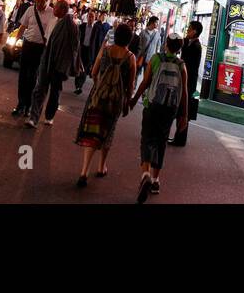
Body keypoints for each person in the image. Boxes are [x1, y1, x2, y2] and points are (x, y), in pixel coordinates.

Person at [75, 21, 136, 188]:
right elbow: (130, 86)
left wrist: (100, 86)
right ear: (129, 39)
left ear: (115, 36)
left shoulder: (106, 51)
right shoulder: (131, 58)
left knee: (92, 132)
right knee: (108, 132)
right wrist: (126, 102)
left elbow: (93, 72)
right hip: (115, 102)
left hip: (97, 98)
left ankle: (84, 171)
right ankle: (101, 166)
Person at [132, 35, 189, 202]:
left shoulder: (156, 59)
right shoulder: (181, 66)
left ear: (166, 44)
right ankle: (156, 180)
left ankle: (145, 174)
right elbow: (184, 91)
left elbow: (145, 82)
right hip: (170, 109)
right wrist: (184, 115)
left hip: (152, 106)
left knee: (147, 139)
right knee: (161, 141)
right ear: (179, 48)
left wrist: (134, 100)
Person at [27, 0, 81, 128]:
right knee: (40, 88)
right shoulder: (52, 21)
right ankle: (33, 117)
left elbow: (74, 47)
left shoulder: (71, 26)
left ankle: (49, 115)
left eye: (55, 7)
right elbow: (47, 39)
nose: (53, 9)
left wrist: (67, 65)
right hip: (47, 58)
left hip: (60, 62)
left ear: (62, 10)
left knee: (55, 91)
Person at [11, 0, 52, 118]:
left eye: (41, 2)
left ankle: (29, 105)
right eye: (37, 1)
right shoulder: (30, 10)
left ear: (47, 0)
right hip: (27, 45)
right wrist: (15, 41)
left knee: (33, 77)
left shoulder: (52, 13)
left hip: (40, 48)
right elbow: (23, 27)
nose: (38, 4)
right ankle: (21, 104)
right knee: (23, 76)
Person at [169, 21, 204, 148]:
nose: (187, 30)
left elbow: (189, 65)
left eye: (189, 29)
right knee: (181, 109)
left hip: (188, 83)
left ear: (194, 31)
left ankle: (180, 139)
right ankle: (178, 137)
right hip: (186, 81)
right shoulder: (189, 42)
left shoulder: (196, 46)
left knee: (184, 110)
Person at [74, 10, 96, 94]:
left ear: (94, 18)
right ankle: (77, 85)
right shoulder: (82, 26)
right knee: (79, 67)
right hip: (81, 49)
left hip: (90, 51)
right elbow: (77, 38)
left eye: (92, 17)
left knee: (85, 69)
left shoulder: (96, 28)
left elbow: (97, 42)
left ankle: (79, 85)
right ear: (87, 17)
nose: (90, 18)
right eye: (89, 16)